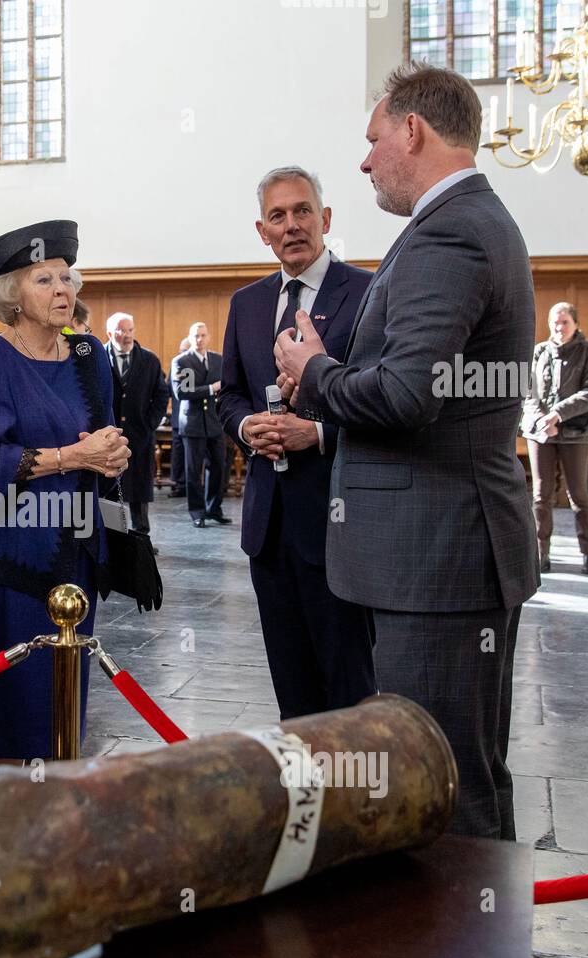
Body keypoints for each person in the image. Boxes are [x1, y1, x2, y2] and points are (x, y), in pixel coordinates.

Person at [275, 62, 538, 840]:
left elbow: (407, 397)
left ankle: (461, 953)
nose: (364, 161)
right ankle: (474, 945)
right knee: (466, 765)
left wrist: (312, 372)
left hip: (437, 556)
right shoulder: (471, 221)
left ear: (413, 130)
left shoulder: (448, 231)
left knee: (443, 776)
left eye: (373, 139)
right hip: (451, 547)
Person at [0, 220, 128, 765]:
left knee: (64, 696)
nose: (62, 290)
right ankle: (7, 812)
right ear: (11, 296)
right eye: (44, 280)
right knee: (14, 698)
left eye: (67, 279)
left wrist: (115, 454)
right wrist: (73, 457)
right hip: (12, 550)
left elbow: (106, 434)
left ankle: (56, 810)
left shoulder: (88, 355)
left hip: (77, 543)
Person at [217, 166, 376, 718]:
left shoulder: (368, 292)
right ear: (262, 231)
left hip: (342, 524)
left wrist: (320, 432)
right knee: (292, 688)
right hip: (269, 528)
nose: (292, 225)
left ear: (325, 218)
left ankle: (354, 801)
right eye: (278, 216)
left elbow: (386, 399)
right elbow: (230, 395)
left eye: (303, 211)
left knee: (349, 688)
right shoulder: (248, 303)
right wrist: (246, 428)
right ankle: (308, 795)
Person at [522, 302, 588, 575]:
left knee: (578, 495)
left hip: (575, 434)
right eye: (555, 322)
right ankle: (541, 553)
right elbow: (527, 391)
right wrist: (543, 420)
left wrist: (557, 414)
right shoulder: (538, 352)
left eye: (565, 322)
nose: (559, 327)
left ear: (576, 324)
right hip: (540, 432)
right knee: (541, 495)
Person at [104, 313, 168, 535]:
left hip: (140, 436)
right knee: (109, 486)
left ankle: (141, 535)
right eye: (123, 331)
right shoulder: (97, 358)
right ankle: (112, 534)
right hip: (107, 437)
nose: (128, 335)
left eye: (131, 330)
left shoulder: (149, 360)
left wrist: (149, 424)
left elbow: (161, 395)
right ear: (110, 334)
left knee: (139, 487)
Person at [171, 322, 231, 527]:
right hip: (193, 424)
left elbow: (227, 387)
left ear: (208, 337)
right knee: (193, 471)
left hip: (214, 423)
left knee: (218, 468)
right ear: (190, 337)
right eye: (196, 336)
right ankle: (197, 512)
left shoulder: (217, 360)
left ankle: (214, 508)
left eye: (203, 335)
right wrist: (211, 389)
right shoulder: (182, 361)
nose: (199, 339)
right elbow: (184, 392)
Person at [168, 337, 190, 497]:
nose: (183, 354)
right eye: (181, 350)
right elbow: (168, 389)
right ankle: (178, 483)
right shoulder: (176, 366)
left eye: (186, 350)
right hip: (177, 417)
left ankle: (189, 486)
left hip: (193, 419)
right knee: (178, 452)